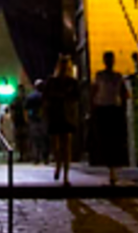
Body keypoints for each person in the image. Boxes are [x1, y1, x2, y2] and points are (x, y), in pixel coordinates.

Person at [89, 51, 131, 185]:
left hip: (110, 107)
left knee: (111, 139)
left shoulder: (116, 76)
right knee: (107, 139)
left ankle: (112, 168)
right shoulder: (102, 75)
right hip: (106, 107)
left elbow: (125, 93)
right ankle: (111, 168)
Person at [44, 56, 81, 185]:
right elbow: (46, 96)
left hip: (67, 114)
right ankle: (58, 163)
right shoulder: (52, 81)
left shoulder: (72, 82)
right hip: (56, 114)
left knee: (66, 145)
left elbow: (77, 97)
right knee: (57, 144)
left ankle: (65, 173)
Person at [26, 80, 49, 165]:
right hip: (43, 119)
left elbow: (26, 109)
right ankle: (45, 157)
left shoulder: (31, 96)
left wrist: (27, 119)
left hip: (33, 119)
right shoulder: (45, 96)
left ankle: (36, 157)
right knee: (44, 139)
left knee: (35, 140)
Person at [12, 83, 29, 162]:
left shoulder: (16, 99)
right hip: (22, 122)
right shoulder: (26, 99)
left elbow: (12, 109)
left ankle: (22, 155)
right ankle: (24, 155)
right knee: (24, 139)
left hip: (19, 122)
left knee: (20, 139)